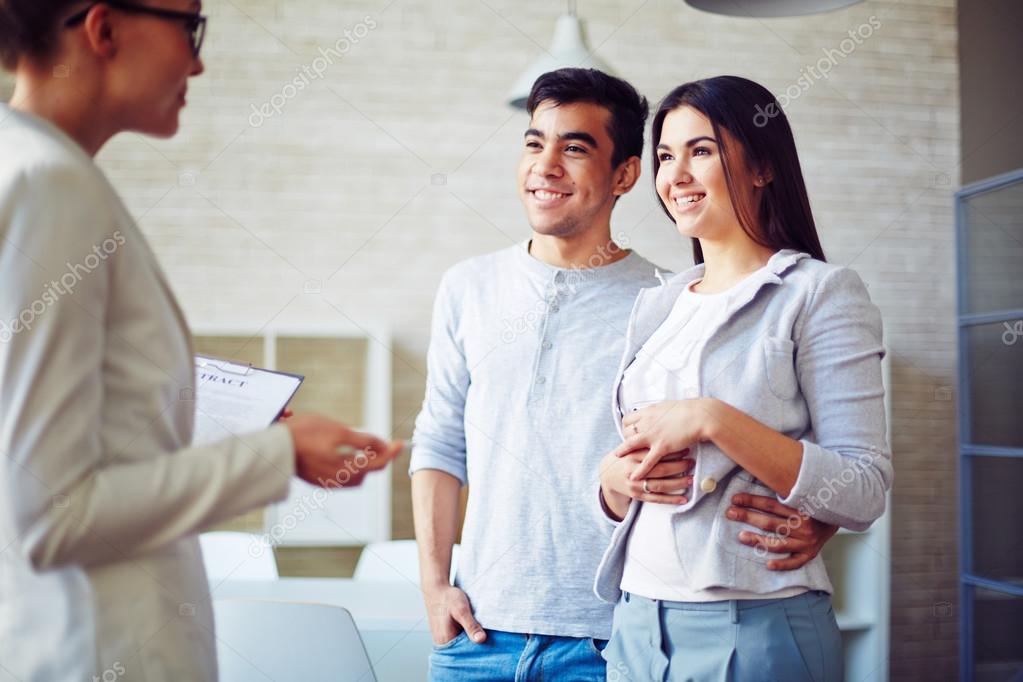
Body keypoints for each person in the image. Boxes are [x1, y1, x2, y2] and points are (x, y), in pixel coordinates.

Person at [0, 2, 401, 680]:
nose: (199, 60)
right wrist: (277, 454)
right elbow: (49, 511)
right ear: (103, 28)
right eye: (191, 27)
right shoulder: (51, 186)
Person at [410, 68, 840, 682]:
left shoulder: (674, 300)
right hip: (477, 634)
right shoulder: (467, 288)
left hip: (614, 636)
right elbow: (440, 443)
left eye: (575, 147)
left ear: (627, 174)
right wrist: (432, 582)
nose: (546, 165)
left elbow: (759, 438)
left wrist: (818, 514)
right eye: (534, 143)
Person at [595, 75, 893, 681]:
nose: (674, 175)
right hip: (635, 623)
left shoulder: (818, 294)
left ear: (761, 167)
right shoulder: (660, 305)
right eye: (664, 156)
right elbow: (633, 459)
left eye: (700, 151)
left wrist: (715, 419)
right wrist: (611, 481)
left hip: (755, 623)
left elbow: (864, 488)